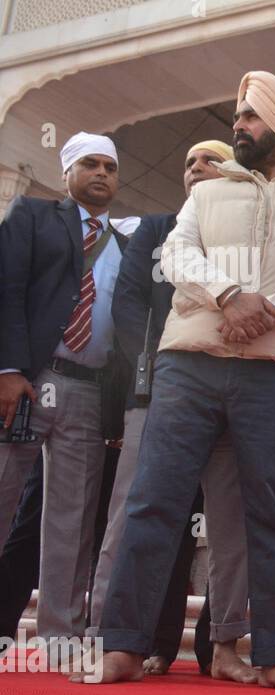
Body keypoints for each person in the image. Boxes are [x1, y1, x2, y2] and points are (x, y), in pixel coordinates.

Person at [85, 70, 275, 692]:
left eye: (251, 117)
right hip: (192, 366)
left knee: (274, 518)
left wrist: (261, 312)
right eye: (239, 117)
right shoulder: (204, 198)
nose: (238, 127)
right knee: (155, 502)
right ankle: (122, 645)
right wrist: (229, 295)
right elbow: (176, 258)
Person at [91, 139, 249, 678]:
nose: (197, 169)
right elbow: (128, 305)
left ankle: (216, 650)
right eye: (188, 163)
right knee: (137, 517)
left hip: (227, 397)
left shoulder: (242, 235)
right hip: (156, 392)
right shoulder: (155, 233)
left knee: (223, 524)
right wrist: (163, 364)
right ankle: (118, 637)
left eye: (210, 160)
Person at [0, 132, 128, 640]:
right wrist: (7, 369)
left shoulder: (127, 244)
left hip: (88, 391)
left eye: (110, 167)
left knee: (72, 521)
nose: (101, 174)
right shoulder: (30, 216)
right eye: (90, 164)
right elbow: (6, 290)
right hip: (27, 383)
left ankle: (60, 635)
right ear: (67, 173)